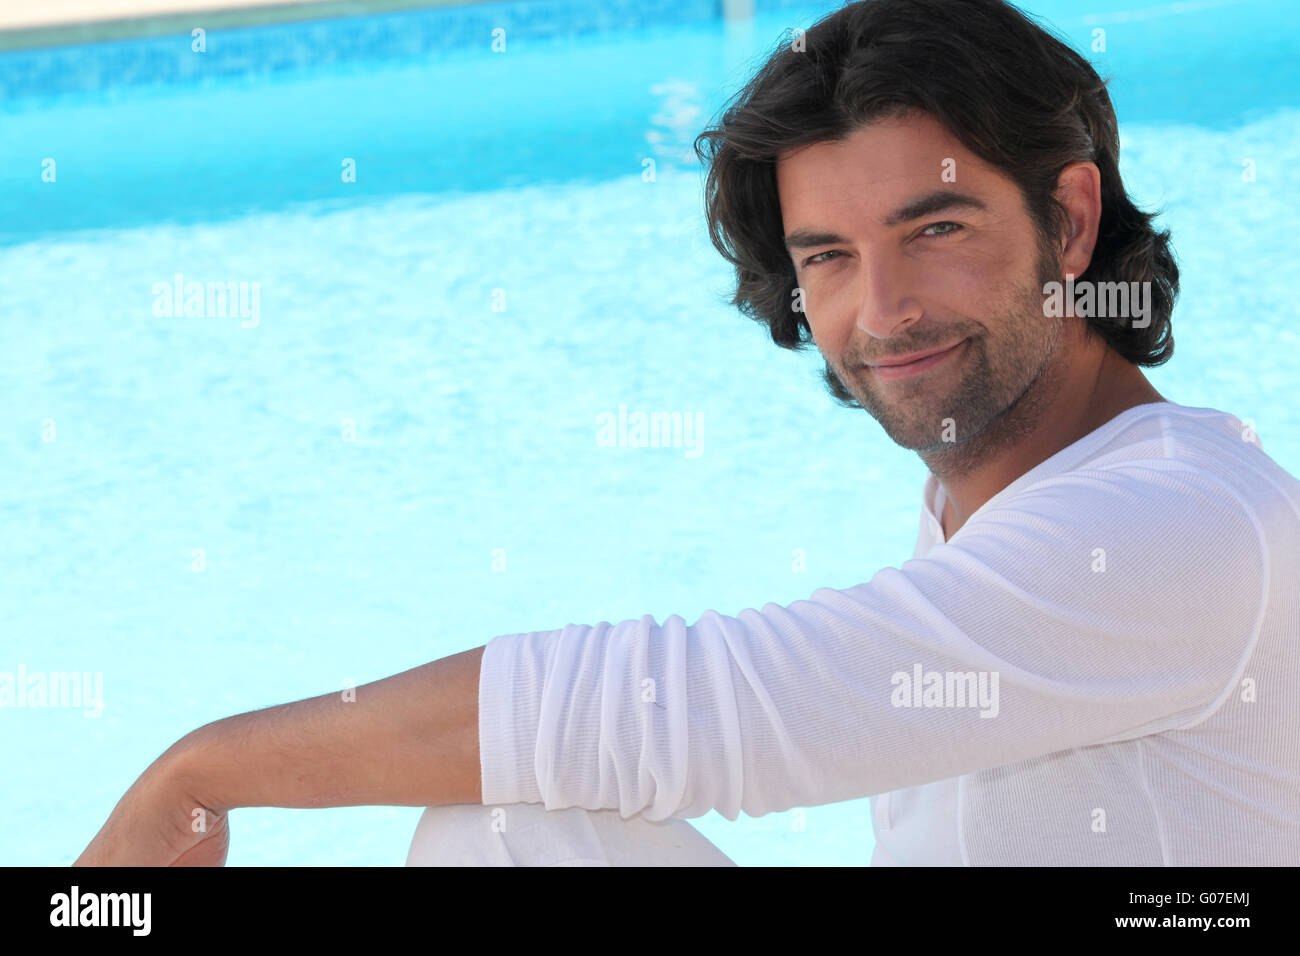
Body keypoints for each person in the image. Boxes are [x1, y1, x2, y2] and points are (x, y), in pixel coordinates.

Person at [75, 0, 1300, 867]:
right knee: (510, 832)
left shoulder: (1171, 522)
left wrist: (200, 768)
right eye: (829, 254)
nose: (882, 311)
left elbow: (704, 713)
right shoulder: (1004, 494)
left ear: (1071, 220)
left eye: (935, 229)